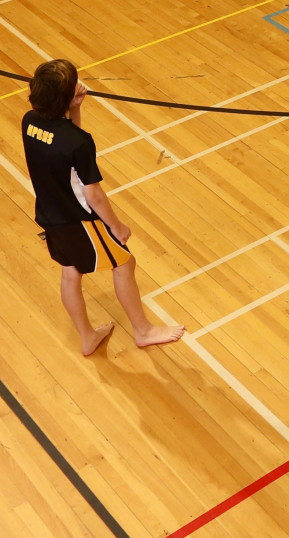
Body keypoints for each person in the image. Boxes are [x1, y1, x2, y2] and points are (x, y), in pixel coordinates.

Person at [20, 59, 187, 356]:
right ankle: (143, 331)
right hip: (80, 220)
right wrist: (116, 226)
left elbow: (62, 144)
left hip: (50, 214)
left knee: (71, 272)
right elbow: (93, 193)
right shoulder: (80, 142)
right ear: (67, 95)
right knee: (124, 264)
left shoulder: (29, 122)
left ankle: (87, 337)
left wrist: (75, 108)